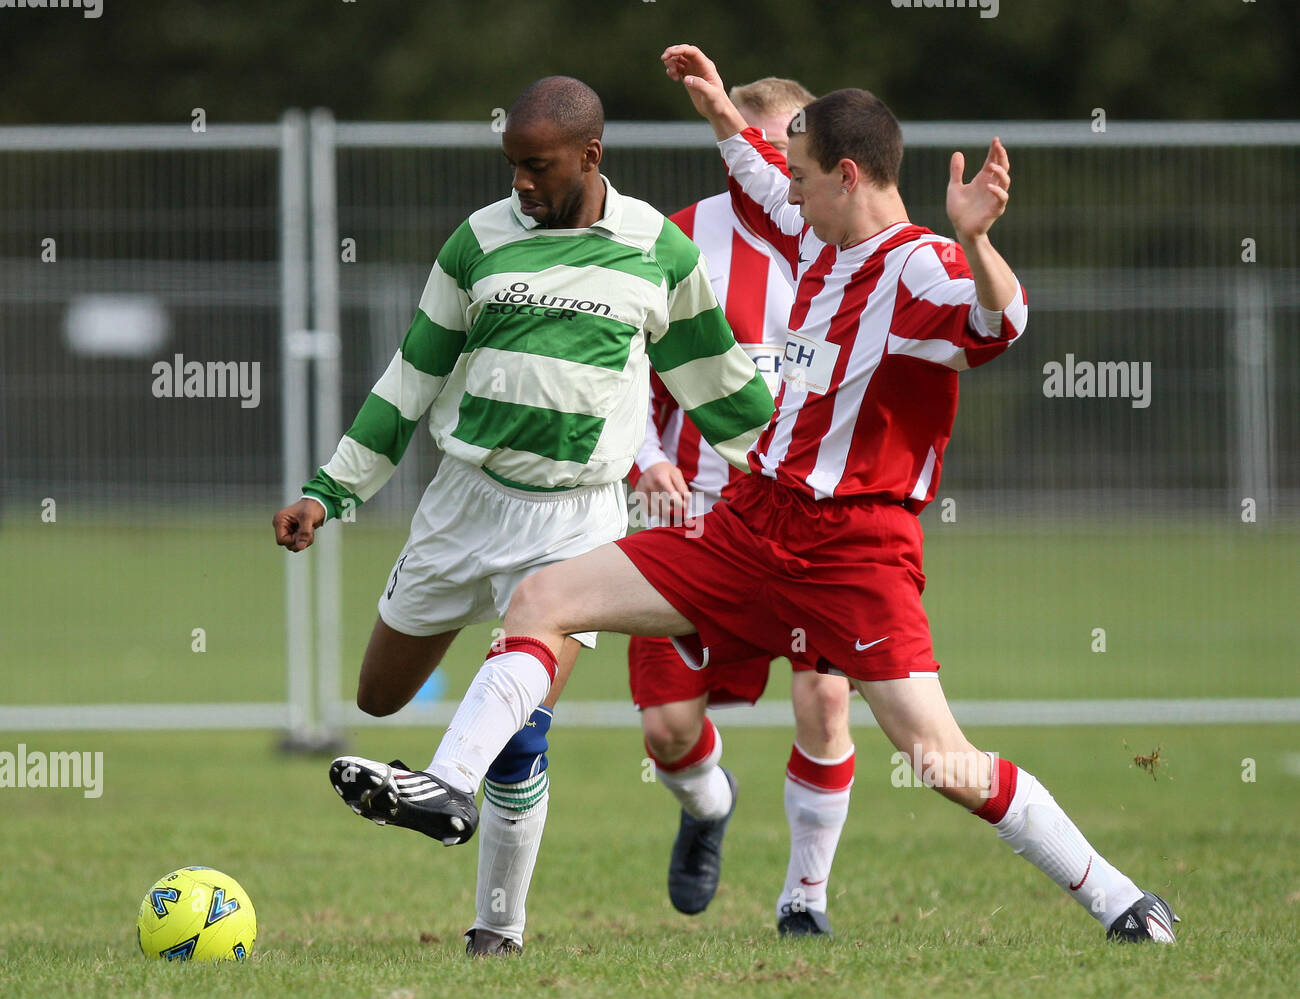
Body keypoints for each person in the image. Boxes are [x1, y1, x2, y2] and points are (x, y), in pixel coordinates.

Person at [329, 46, 1179, 946]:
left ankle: (1122, 901)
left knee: (938, 760)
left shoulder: (921, 266)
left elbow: (1000, 321)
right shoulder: (824, 230)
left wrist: (975, 239)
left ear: (847, 177)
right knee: (545, 597)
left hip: (851, 550)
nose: (786, 196)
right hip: (747, 522)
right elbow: (763, 179)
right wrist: (722, 113)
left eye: (803, 177)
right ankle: (452, 786)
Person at [275, 74, 774, 957]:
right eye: (511, 166)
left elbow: (725, 395)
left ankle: (494, 926)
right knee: (379, 697)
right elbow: (409, 381)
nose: (522, 185)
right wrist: (330, 490)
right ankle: (467, 790)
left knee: (520, 723)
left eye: (537, 167)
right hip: (462, 505)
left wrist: (803, 490)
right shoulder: (476, 242)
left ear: (591, 155)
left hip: (576, 521)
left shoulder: (658, 249)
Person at [628, 76, 854, 937]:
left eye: (787, 155)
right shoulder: (677, 241)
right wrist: (646, 460)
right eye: (758, 149)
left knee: (826, 703)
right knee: (668, 732)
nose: (775, 169)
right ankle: (708, 806)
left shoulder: (842, 250)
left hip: (806, 525)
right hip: (689, 522)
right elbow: (628, 383)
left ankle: (804, 901)